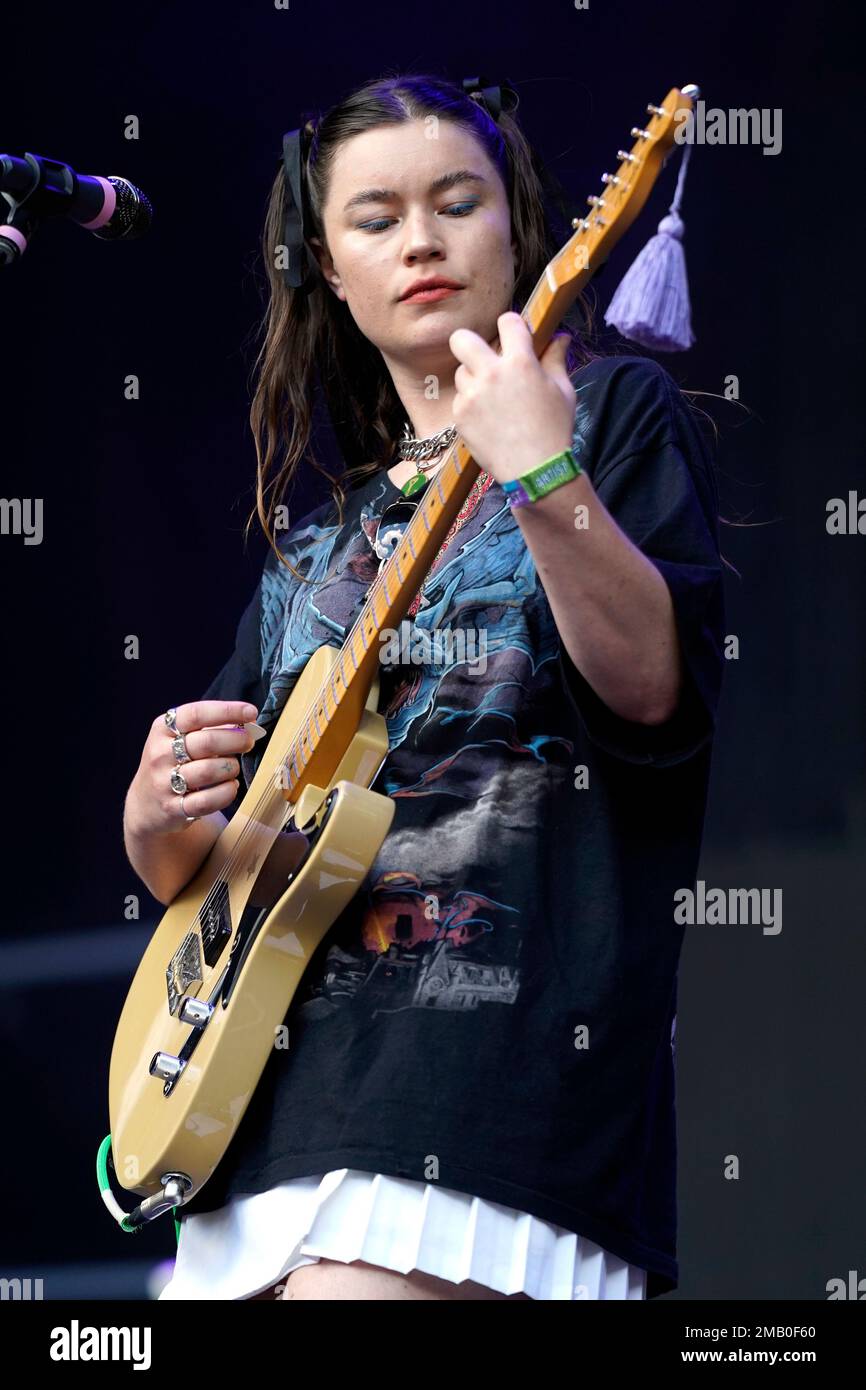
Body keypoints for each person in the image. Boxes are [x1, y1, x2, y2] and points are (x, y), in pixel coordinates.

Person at [123, 72, 725, 1301]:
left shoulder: (607, 414)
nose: (422, 240)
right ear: (329, 271)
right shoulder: (317, 546)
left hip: (479, 1085)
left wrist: (537, 470)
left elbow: (655, 692)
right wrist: (152, 820)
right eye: (375, 218)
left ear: (517, 226)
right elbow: (215, 863)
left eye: (457, 202)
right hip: (260, 1112)